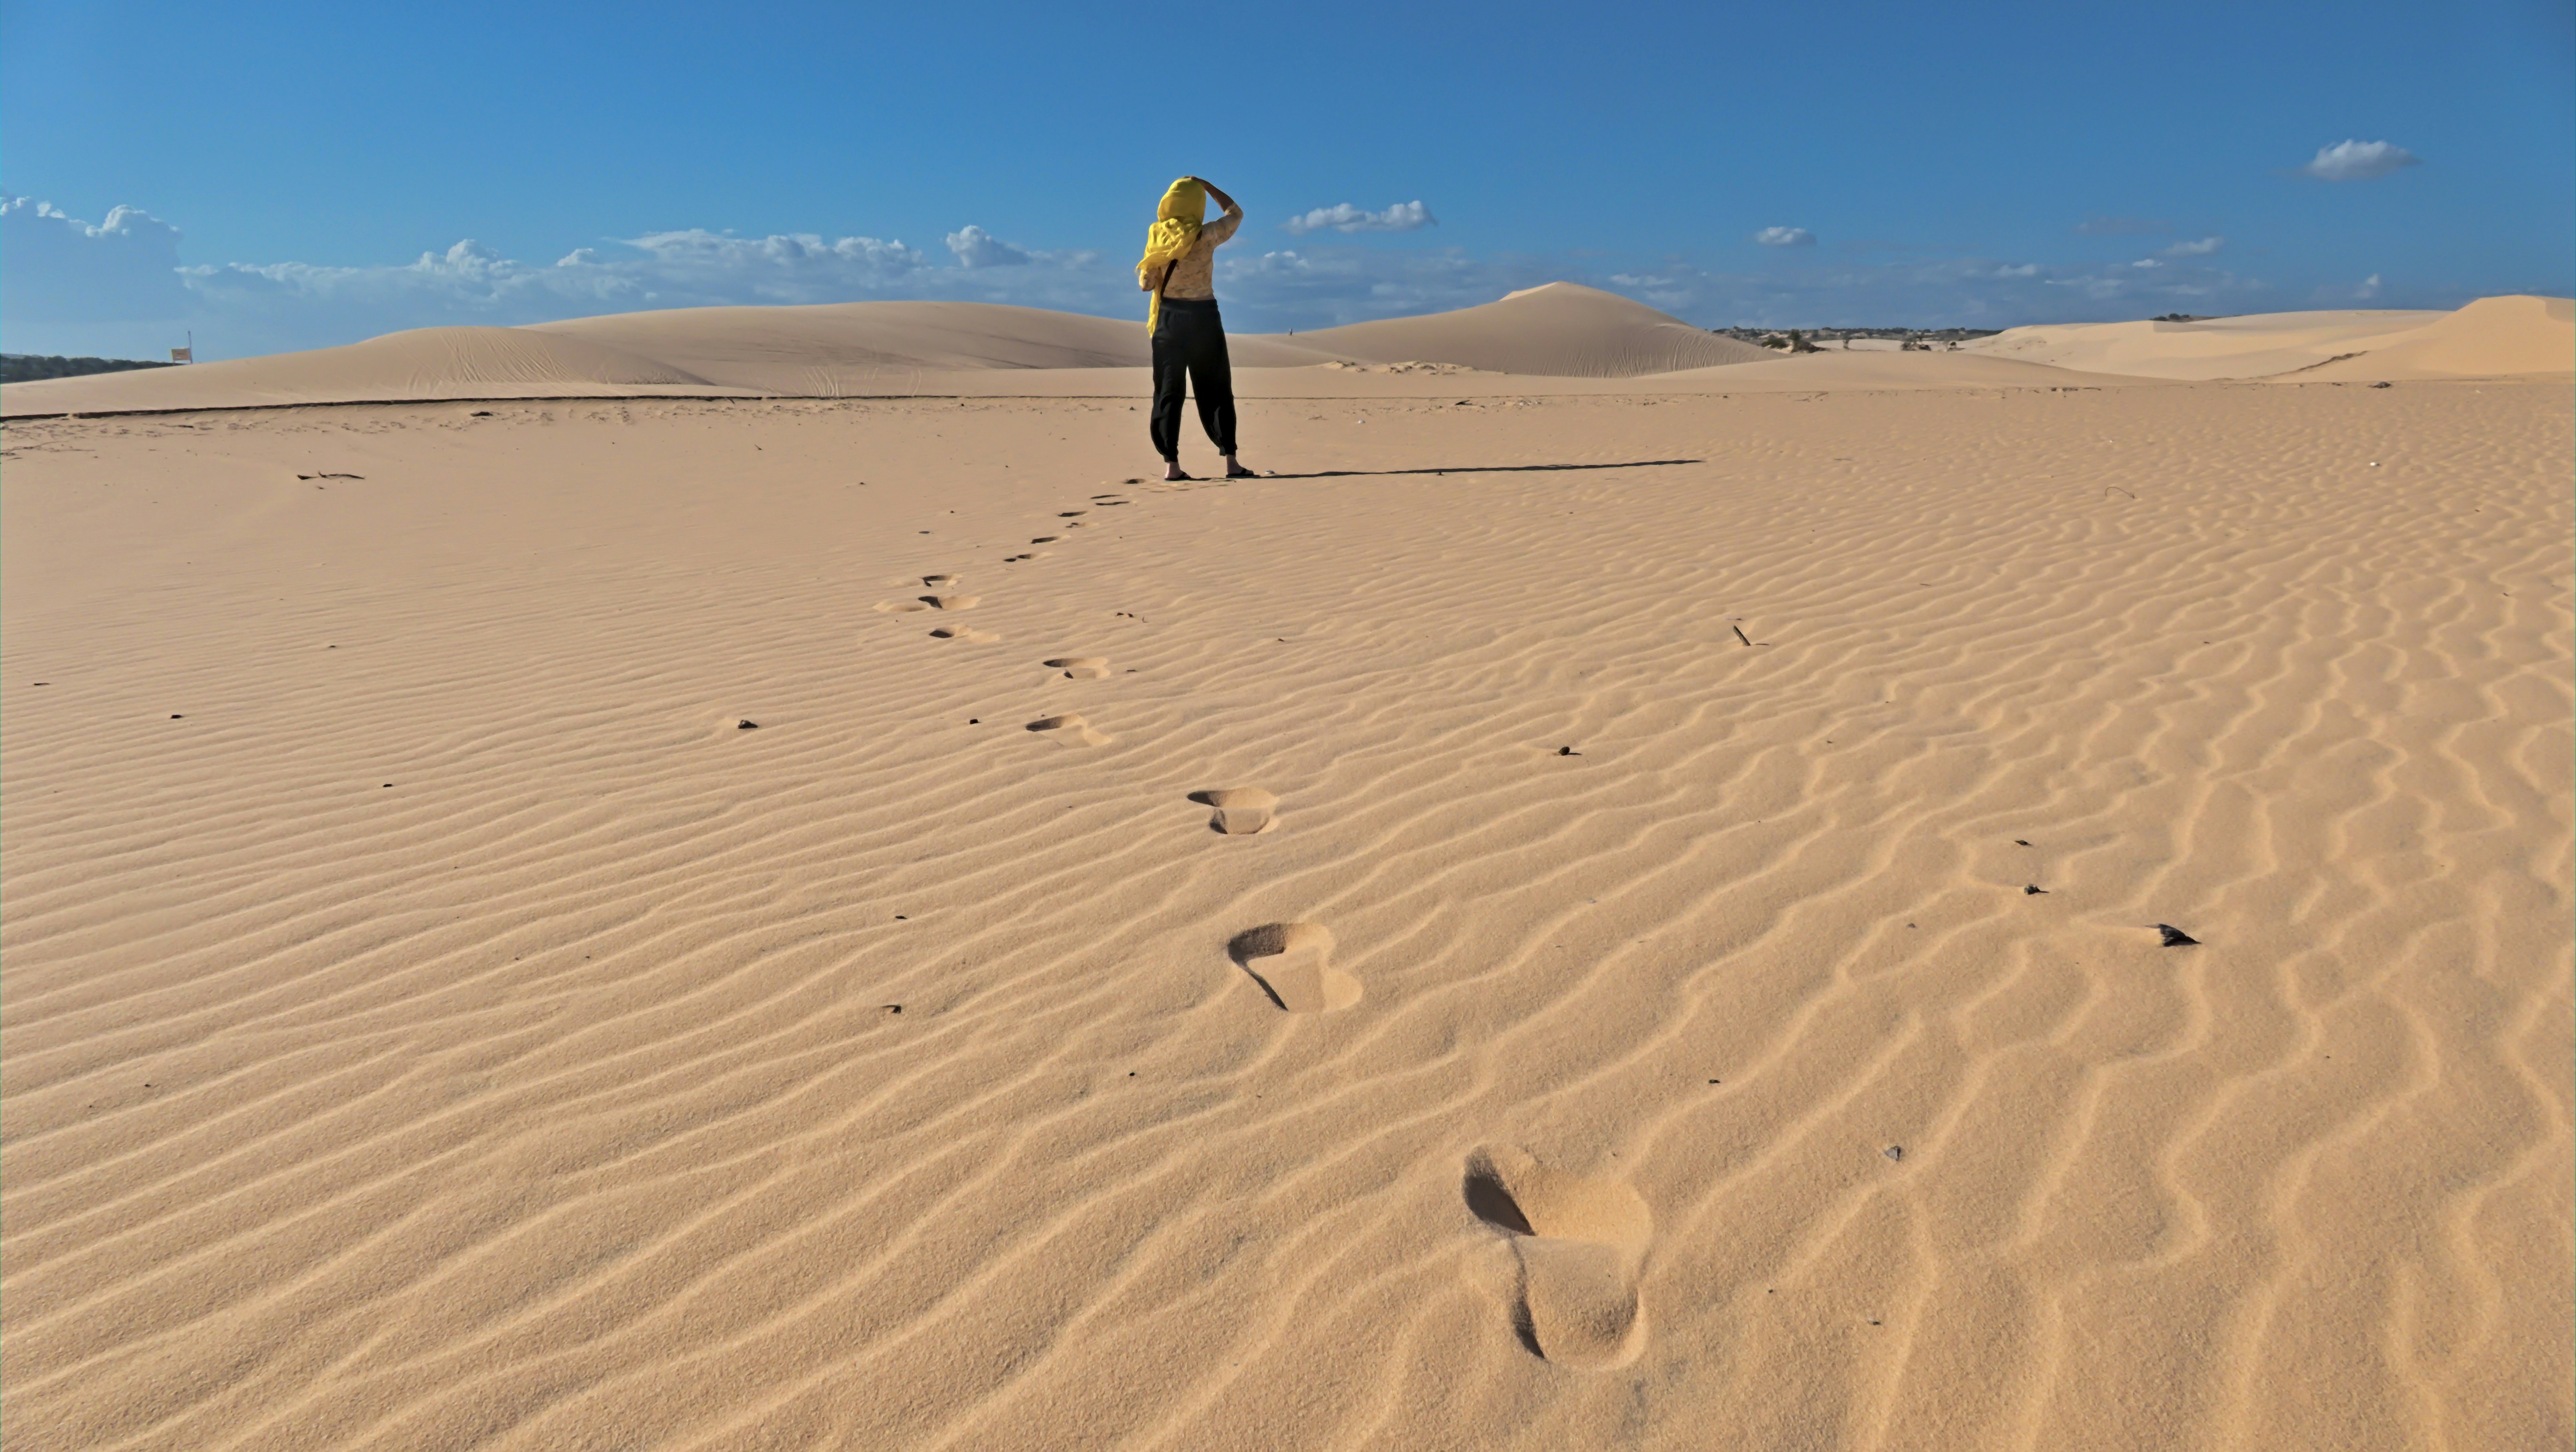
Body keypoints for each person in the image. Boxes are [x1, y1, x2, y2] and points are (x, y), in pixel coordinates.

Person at [1137, 176, 1253, 481]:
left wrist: (1157, 273)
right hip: (1203, 318)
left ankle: (1171, 466)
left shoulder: (1158, 236)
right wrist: (1210, 188)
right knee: (1217, 389)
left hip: (1169, 319)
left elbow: (1146, 283)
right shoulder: (1206, 235)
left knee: (1168, 392)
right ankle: (1231, 462)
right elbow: (1236, 214)